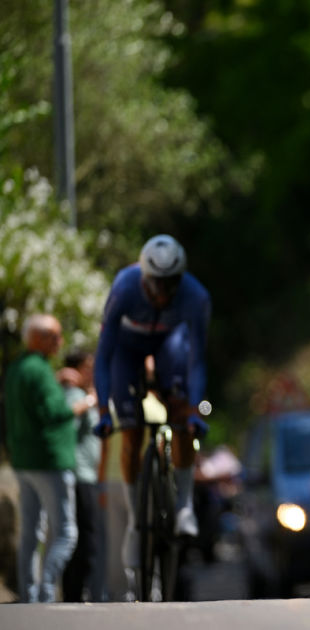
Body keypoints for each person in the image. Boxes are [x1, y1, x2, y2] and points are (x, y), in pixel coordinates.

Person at [92, 234, 211, 576]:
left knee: (182, 414)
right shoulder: (124, 288)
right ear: (144, 275)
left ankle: (184, 504)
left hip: (169, 343)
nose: (162, 291)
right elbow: (104, 355)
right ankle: (134, 521)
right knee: (130, 433)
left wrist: (194, 407)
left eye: (170, 283)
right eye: (156, 283)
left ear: (181, 278)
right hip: (127, 350)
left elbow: (198, 362)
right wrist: (104, 411)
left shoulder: (196, 296)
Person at [5, 314, 89, 602]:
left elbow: (32, 397)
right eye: (55, 336)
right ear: (39, 339)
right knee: (66, 533)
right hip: (49, 462)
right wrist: (84, 404)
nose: (60, 342)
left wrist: (56, 378)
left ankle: (30, 592)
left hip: (23, 462)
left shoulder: (18, 368)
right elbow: (55, 414)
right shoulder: (39, 371)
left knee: (31, 532)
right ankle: (45, 591)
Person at [59, 349, 105, 602]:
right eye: (89, 366)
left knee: (85, 539)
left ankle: (75, 594)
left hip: (87, 477)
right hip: (79, 476)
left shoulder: (83, 394)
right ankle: (74, 595)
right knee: (85, 540)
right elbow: (66, 427)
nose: (92, 371)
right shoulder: (74, 395)